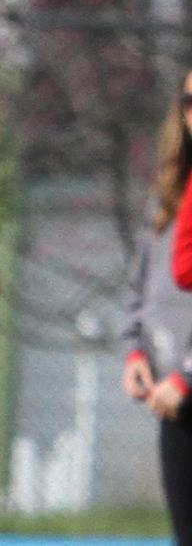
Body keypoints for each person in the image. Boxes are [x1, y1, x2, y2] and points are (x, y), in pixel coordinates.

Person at [123, 68, 192, 544]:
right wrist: (134, 351)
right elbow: (140, 286)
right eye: (189, 100)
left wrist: (188, 374)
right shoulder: (172, 193)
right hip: (176, 401)